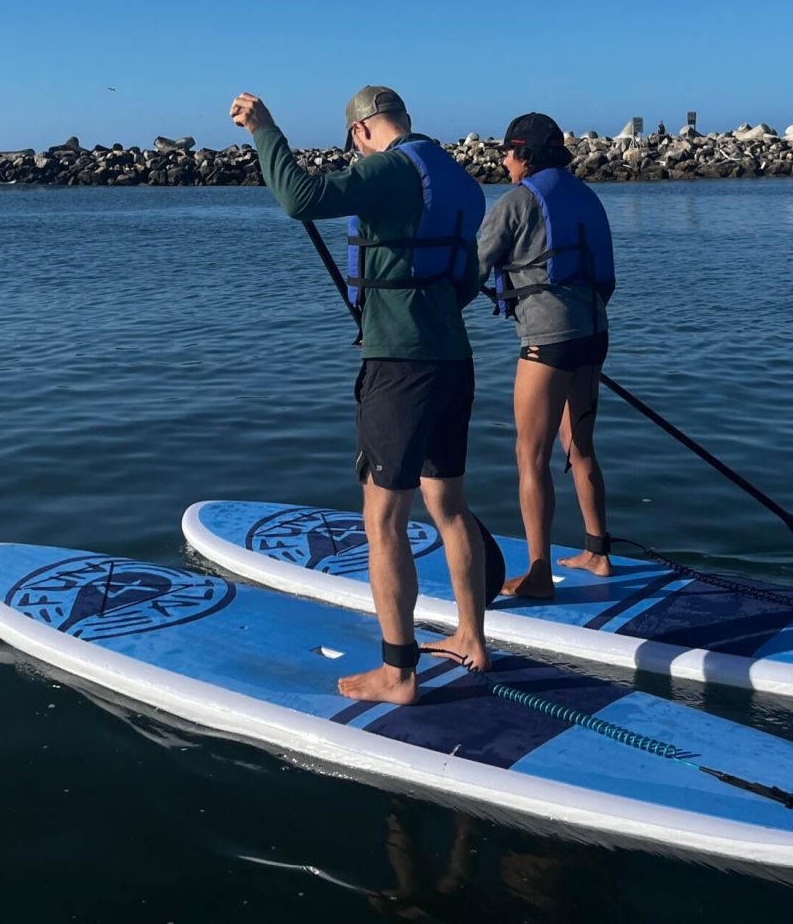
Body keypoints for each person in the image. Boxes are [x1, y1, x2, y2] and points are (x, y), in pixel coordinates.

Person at [230, 85, 491, 704]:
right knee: (450, 505)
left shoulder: (389, 168)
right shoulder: (460, 180)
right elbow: (466, 280)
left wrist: (265, 131)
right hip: (453, 360)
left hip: (400, 368)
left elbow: (300, 199)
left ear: (361, 131)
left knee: (383, 519)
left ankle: (399, 673)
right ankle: (472, 637)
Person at [476, 112, 617, 599]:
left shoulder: (517, 201)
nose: (503, 162)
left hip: (548, 340)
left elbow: (473, 266)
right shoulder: (587, 195)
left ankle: (538, 574)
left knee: (530, 454)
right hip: (594, 333)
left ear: (526, 155)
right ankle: (597, 553)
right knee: (579, 445)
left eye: (507, 153)